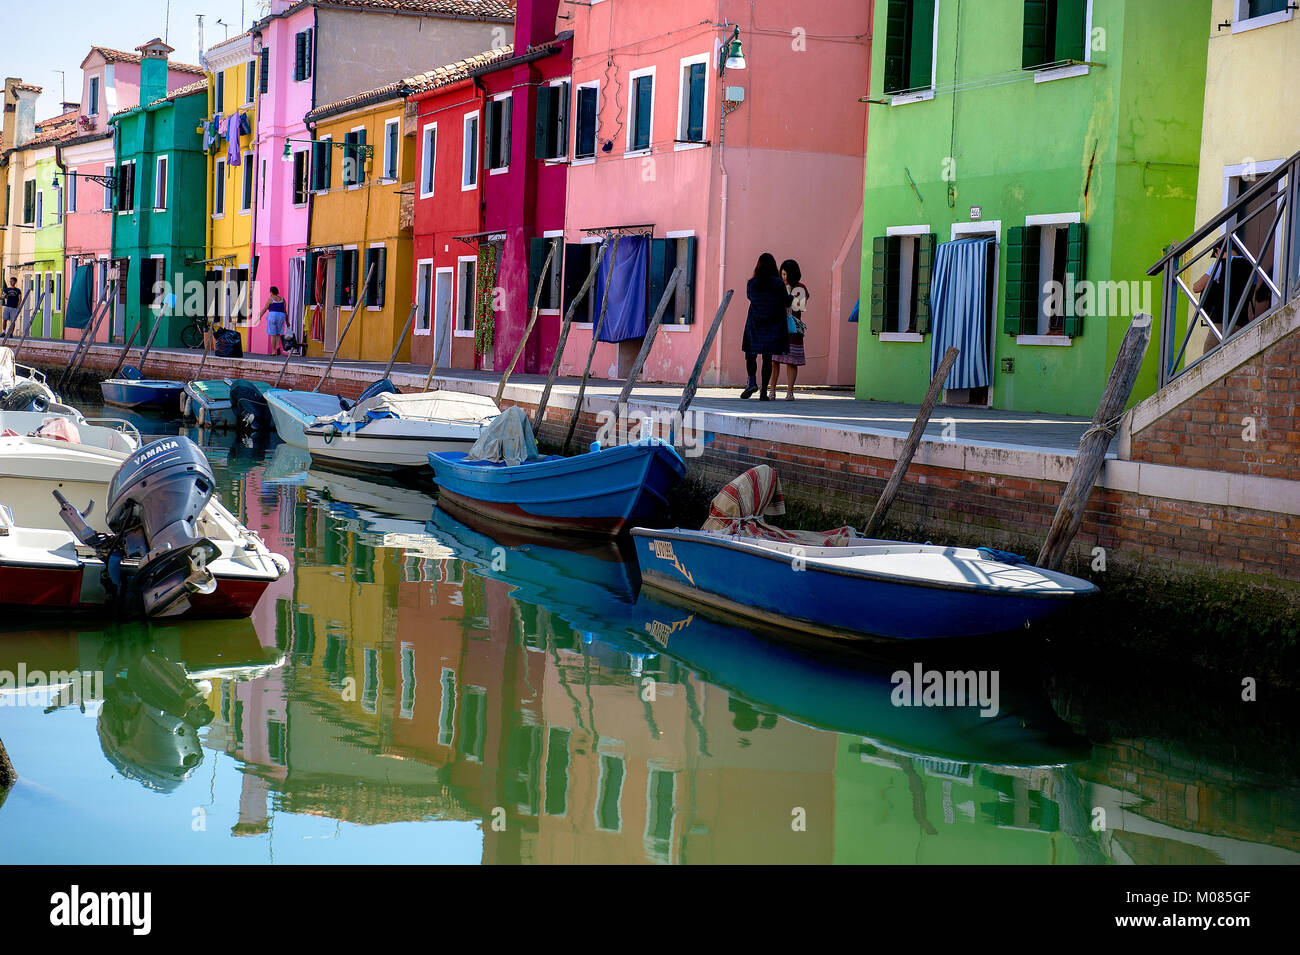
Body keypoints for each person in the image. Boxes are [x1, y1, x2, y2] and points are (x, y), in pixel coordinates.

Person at [741, 253, 791, 401]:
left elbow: (750, 297)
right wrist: (791, 297)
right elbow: (785, 301)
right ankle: (763, 392)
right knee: (767, 358)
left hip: (755, 322)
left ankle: (751, 381)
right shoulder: (778, 283)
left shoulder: (752, 283)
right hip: (773, 324)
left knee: (750, 353)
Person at [772, 259, 808, 400]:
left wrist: (788, 296)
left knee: (791, 361)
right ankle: (772, 391)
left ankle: (790, 392)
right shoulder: (779, 286)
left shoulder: (800, 288)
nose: (784, 278)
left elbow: (800, 307)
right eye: (782, 274)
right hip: (779, 327)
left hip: (793, 328)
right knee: (774, 361)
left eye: (786, 274)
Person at [258, 286, 289, 356]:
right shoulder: (283, 300)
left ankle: (273, 351)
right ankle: (278, 347)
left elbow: (265, 309)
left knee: (273, 334)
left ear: (271, 292)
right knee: (278, 333)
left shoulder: (270, 299)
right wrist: (287, 321)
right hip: (281, 316)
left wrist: (259, 316)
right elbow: (285, 311)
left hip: (273, 316)